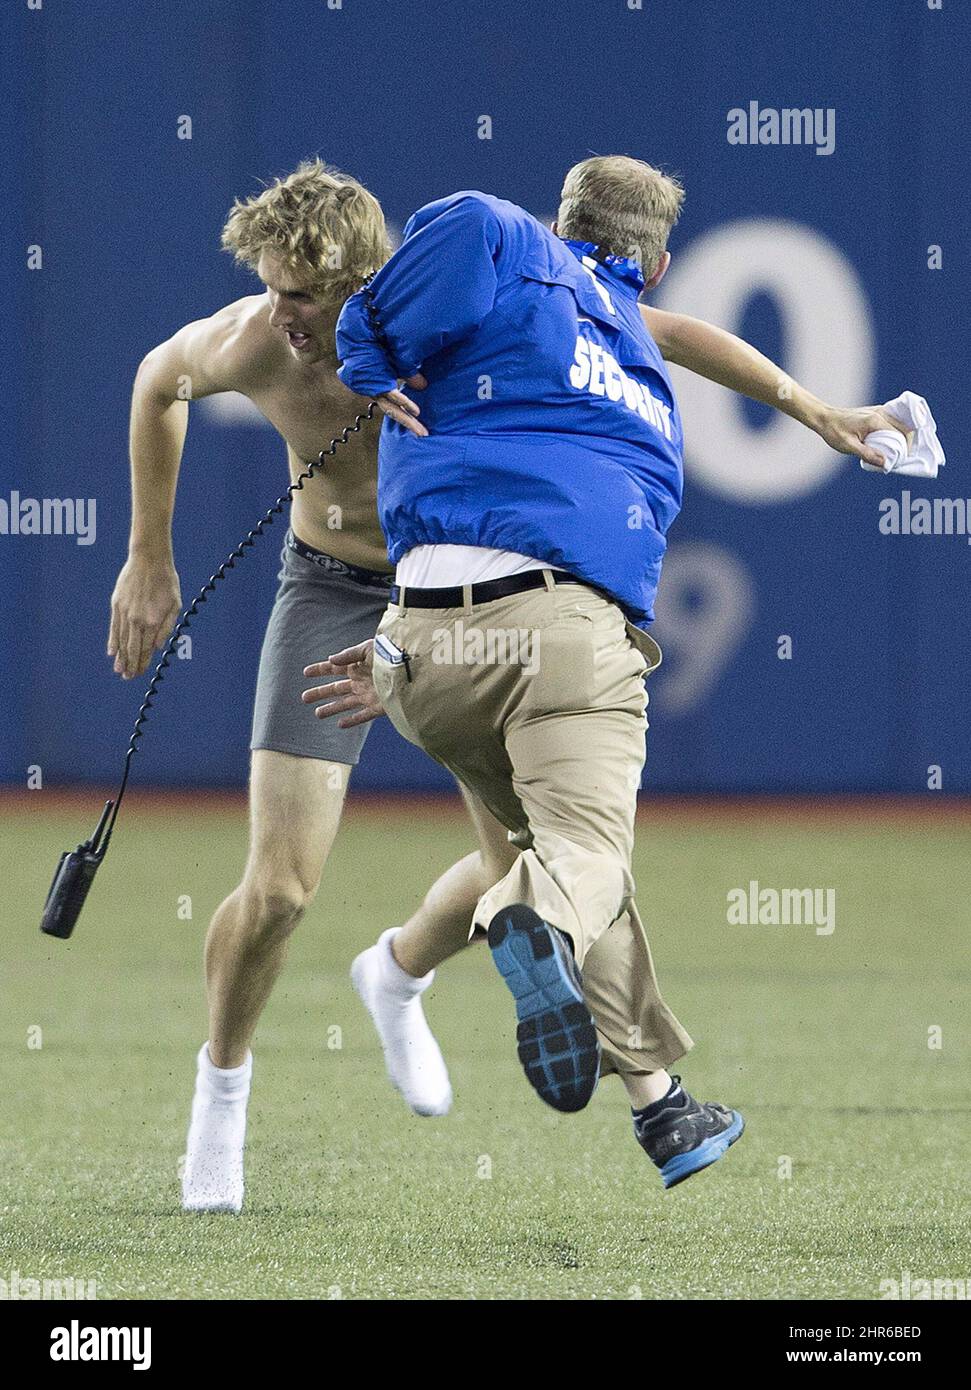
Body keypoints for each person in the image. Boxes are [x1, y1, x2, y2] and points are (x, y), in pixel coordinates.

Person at [110, 156, 902, 1209]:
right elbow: (158, 380)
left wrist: (813, 409)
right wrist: (148, 555)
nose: (280, 312)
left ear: (366, 277)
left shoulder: (464, 300)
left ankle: (396, 973)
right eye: (269, 287)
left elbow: (665, 332)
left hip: (444, 595)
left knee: (528, 879)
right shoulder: (261, 339)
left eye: (303, 293)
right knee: (282, 889)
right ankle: (221, 1102)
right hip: (337, 590)